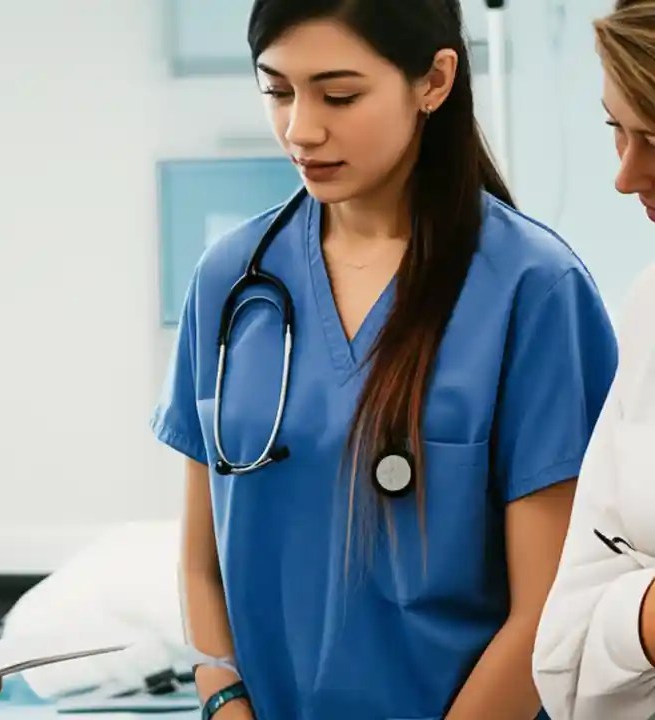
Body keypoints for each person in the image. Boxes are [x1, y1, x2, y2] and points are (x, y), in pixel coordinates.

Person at [151, 0, 619, 718]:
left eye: (340, 95)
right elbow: (200, 562)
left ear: (433, 81)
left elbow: (547, 611)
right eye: (277, 90)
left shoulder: (533, 289)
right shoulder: (230, 280)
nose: (301, 129)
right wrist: (224, 700)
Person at [532, 2, 655, 717]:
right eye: (617, 130)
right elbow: (564, 657)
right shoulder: (649, 308)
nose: (627, 173)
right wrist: (644, 615)